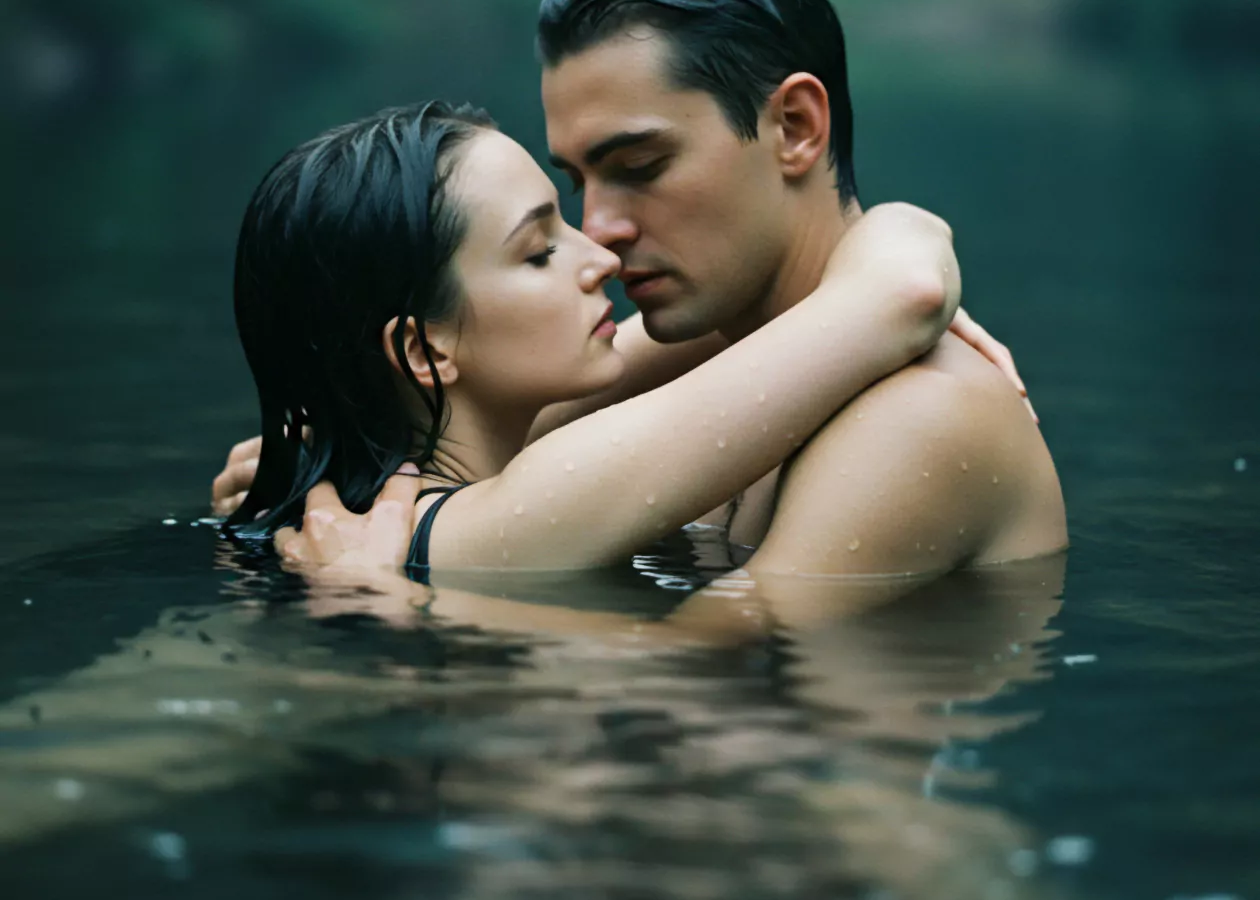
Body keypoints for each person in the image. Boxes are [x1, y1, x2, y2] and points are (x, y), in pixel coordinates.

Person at [222, 0, 1065, 587]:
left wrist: (398, 599)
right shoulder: (710, 383)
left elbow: (706, 696)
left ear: (797, 127)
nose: (603, 234)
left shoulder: (916, 417)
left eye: (640, 168)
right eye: (577, 183)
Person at [222, 98, 964, 578]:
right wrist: (899, 228)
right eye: (539, 252)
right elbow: (903, 294)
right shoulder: (516, 514)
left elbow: (753, 326)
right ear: (423, 352)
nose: (602, 259)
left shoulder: (390, 502)